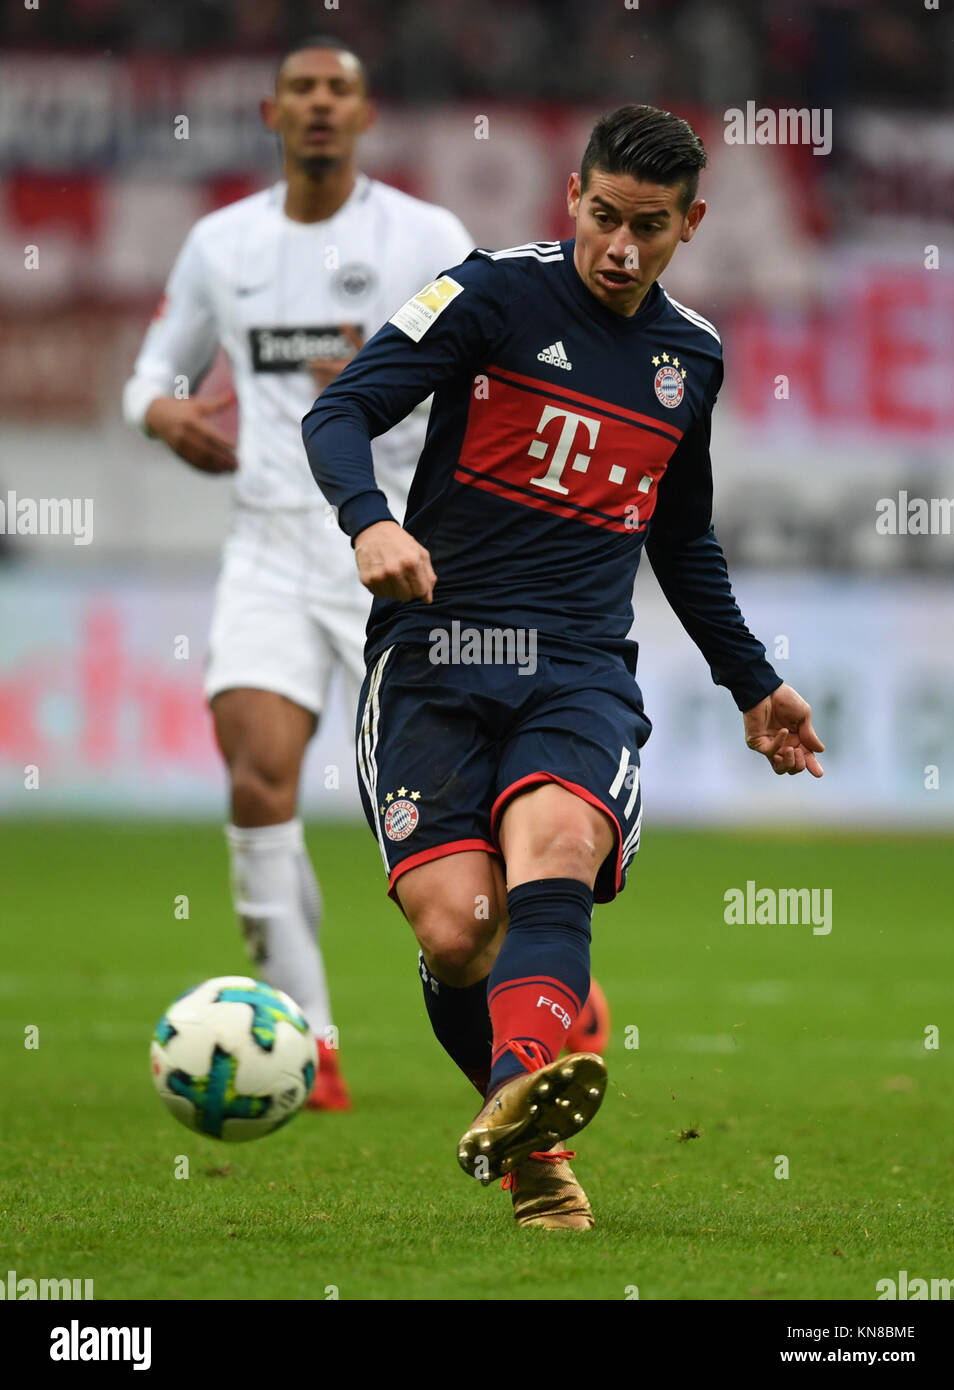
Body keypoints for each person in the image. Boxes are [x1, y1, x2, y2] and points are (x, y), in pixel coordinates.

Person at [303, 102, 824, 1227]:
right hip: (434, 657)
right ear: (570, 199)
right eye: (601, 217)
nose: (620, 247)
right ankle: (526, 1103)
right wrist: (367, 523)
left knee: (556, 842)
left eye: (647, 225)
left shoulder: (690, 357)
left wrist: (751, 681)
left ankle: (520, 1114)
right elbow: (341, 409)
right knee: (455, 934)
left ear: (691, 223)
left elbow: (678, 537)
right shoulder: (488, 292)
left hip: (576, 665)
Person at [121, 37, 477, 1110]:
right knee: (256, 775)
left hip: (401, 548)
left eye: (340, 91)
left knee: (434, 814)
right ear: (273, 112)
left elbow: (486, 376)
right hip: (272, 545)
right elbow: (151, 371)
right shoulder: (219, 243)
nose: (320, 106)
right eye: (302, 91)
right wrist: (162, 412)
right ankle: (307, 1040)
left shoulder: (426, 236)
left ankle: (518, 983)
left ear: (364, 117)